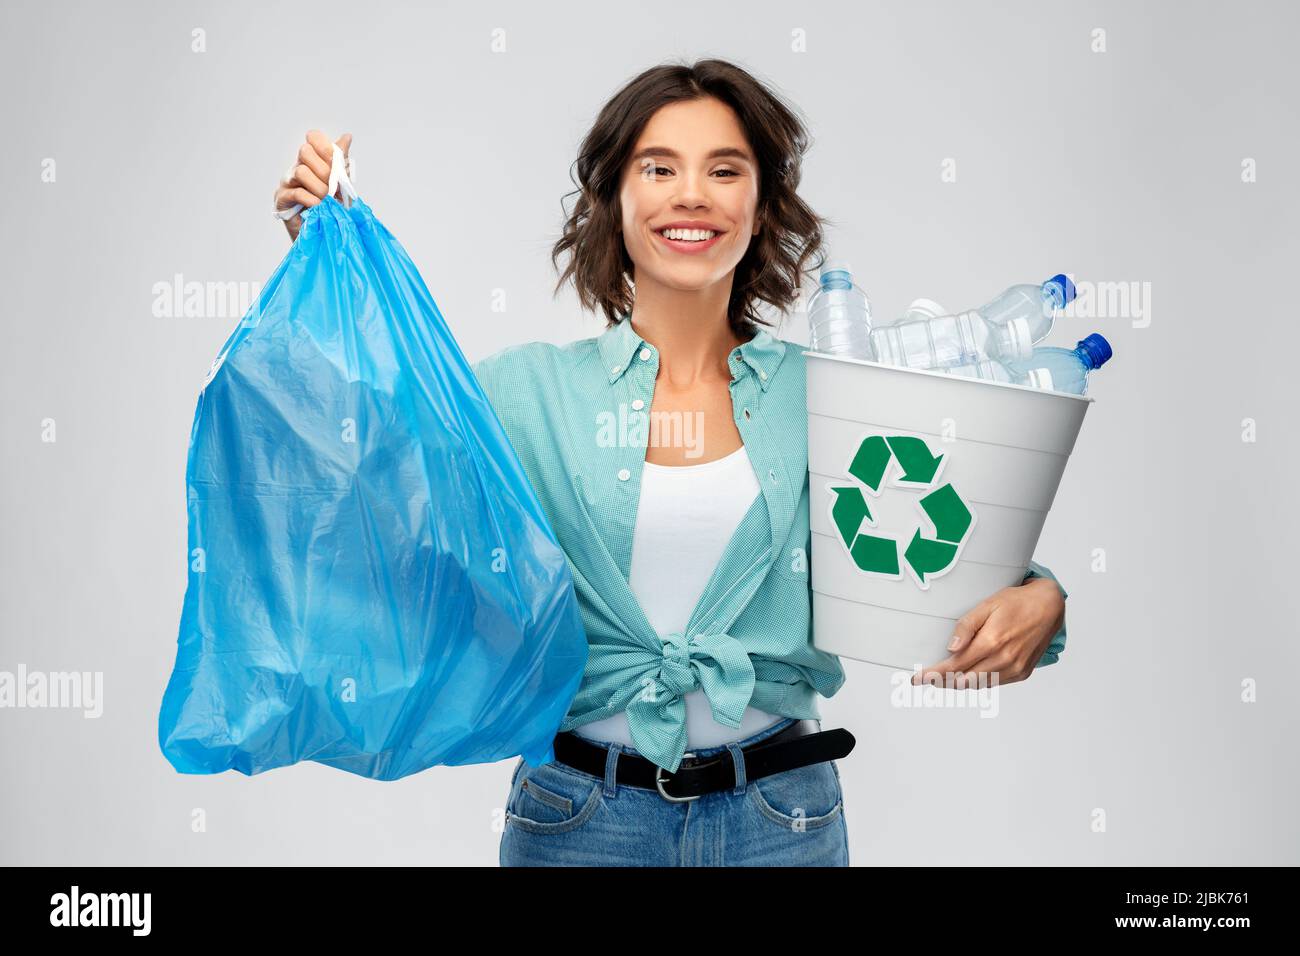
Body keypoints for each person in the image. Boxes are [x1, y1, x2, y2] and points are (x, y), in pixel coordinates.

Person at [272, 58, 1069, 867]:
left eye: (725, 170)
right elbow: (377, 479)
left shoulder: (830, 393)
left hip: (780, 822)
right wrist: (329, 263)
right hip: (579, 822)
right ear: (614, 202)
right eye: (659, 168)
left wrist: (1047, 598)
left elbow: (956, 549)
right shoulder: (524, 392)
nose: (692, 193)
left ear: (760, 209)